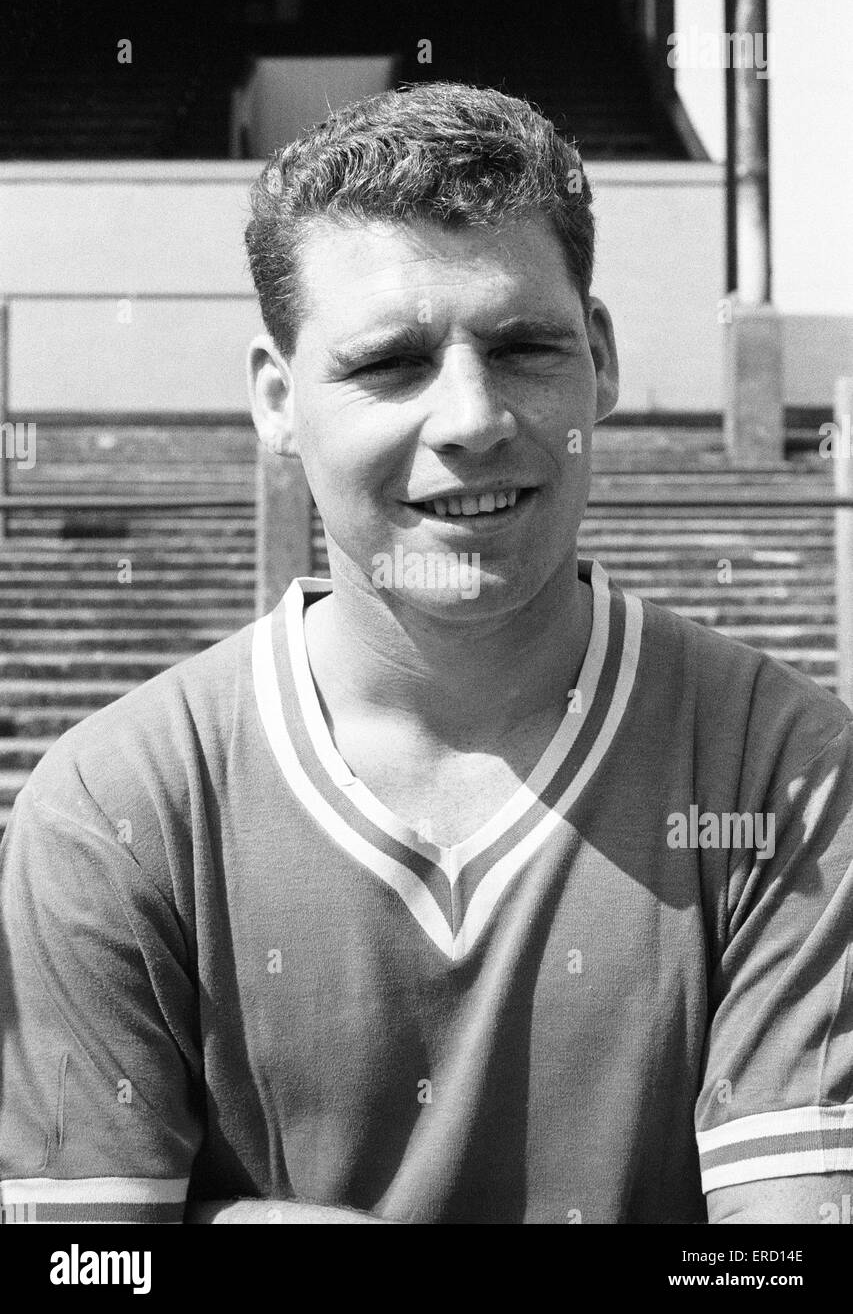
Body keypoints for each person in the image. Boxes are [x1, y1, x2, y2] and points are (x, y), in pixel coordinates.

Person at [1, 82, 851, 1226]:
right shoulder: (110, 811)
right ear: (276, 401)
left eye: (522, 346)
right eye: (390, 363)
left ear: (599, 359)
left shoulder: (787, 775)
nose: (470, 418)